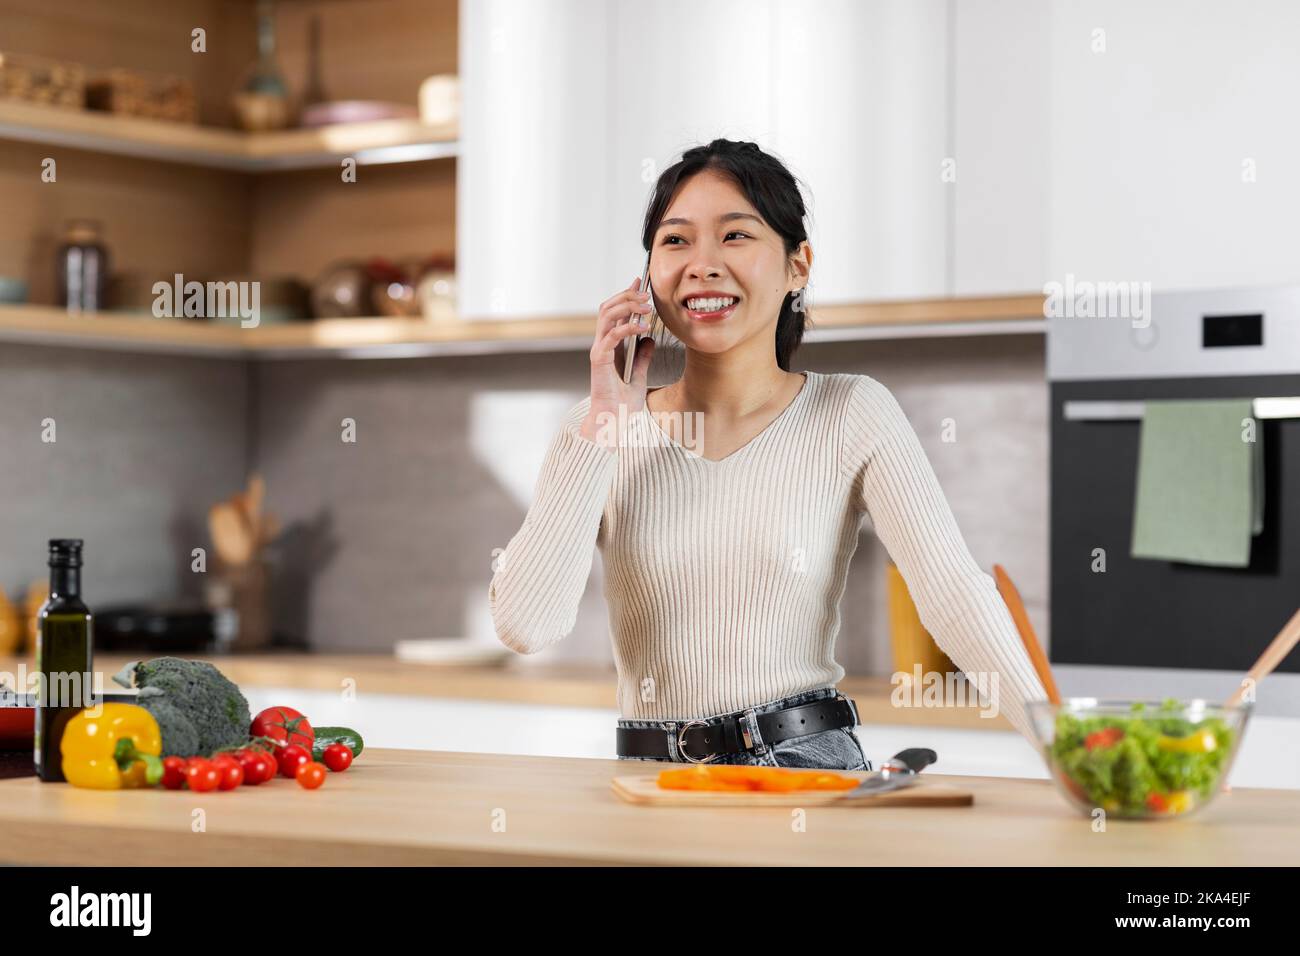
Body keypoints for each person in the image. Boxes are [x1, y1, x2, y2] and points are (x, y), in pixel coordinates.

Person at [489, 138, 1046, 770]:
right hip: (652, 780)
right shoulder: (597, 429)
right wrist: (604, 427)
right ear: (647, 276)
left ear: (797, 265)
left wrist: (1066, 749)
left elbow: (953, 594)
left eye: (735, 236)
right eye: (675, 241)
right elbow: (527, 626)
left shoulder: (852, 411)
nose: (701, 264)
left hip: (804, 762)